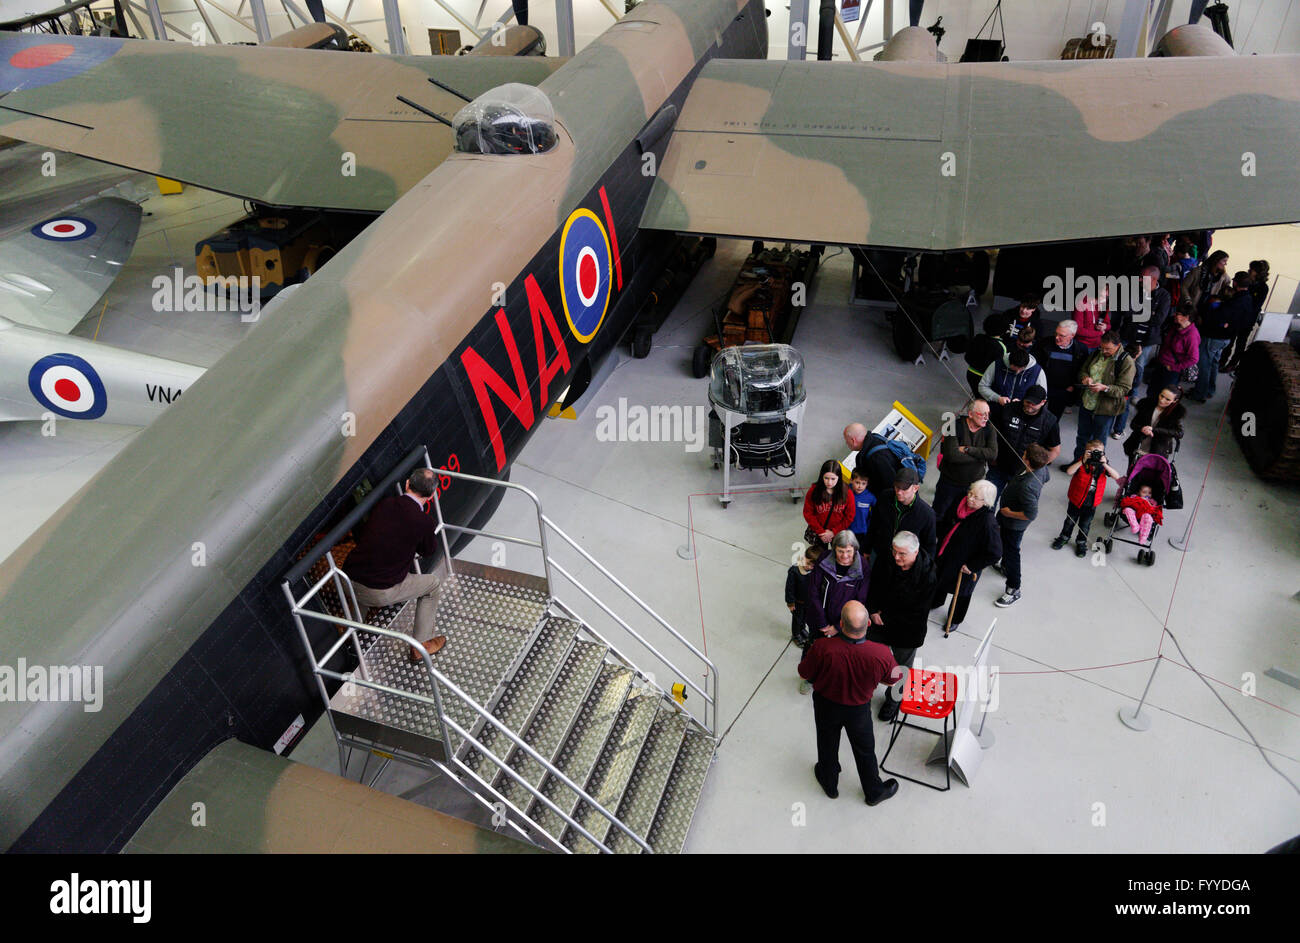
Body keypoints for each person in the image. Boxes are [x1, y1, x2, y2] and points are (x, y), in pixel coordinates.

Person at [797, 600, 901, 805]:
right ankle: (874, 791)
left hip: (826, 705)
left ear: (841, 624)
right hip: (858, 711)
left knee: (826, 742)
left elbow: (804, 673)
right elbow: (893, 680)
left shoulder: (822, 647)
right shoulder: (881, 653)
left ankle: (829, 782)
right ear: (868, 624)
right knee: (865, 749)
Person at [342, 468, 448, 661]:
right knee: (432, 585)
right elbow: (428, 550)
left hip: (346, 579)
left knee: (368, 575)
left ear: (407, 484)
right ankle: (420, 646)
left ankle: (349, 633)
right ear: (431, 495)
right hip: (378, 592)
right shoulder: (424, 522)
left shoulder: (385, 504)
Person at [867, 531, 938, 722]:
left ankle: (894, 700)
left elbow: (917, 610)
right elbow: (873, 586)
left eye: (902, 554)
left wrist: (885, 616)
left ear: (915, 552)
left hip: (907, 630)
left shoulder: (927, 574)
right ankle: (864, 691)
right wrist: (872, 611)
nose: (896, 556)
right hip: (878, 621)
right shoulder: (886, 558)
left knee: (901, 669)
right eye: (894, 551)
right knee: (871, 659)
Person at [929, 479, 1001, 632]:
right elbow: (947, 518)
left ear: (986, 502)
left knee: (962, 593)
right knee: (939, 579)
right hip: (946, 551)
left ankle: (955, 619)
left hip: (965, 564)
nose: (970, 498)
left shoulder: (987, 521)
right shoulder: (961, 499)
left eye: (976, 497)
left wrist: (972, 566)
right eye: (971, 493)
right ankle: (935, 601)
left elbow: (995, 552)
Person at [992, 444, 1051, 608]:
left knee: (1012, 553)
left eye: (1024, 454)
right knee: (1000, 539)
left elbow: (1031, 514)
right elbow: (1047, 478)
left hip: (1013, 523)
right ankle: (1004, 566)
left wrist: (1009, 513)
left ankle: (1013, 588)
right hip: (1006, 515)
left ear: (1028, 461)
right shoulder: (1042, 468)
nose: (1022, 455)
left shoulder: (1028, 485)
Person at [987, 387, 1060, 501]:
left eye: (1034, 404)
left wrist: (1036, 466)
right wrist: (991, 455)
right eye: (1027, 402)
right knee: (987, 501)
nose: (1029, 406)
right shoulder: (1008, 409)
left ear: (1043, 402)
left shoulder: (1050, 421)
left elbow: (1055, 450)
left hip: (1023, 474)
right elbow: (991, 433)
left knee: (1009, 508)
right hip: (998, 466)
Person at [1190, 272, 1253, 403]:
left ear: (1235, 283)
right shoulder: (1247, 299)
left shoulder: (1236, 301)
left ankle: (1199, 393)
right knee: (1214, 363)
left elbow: (1219, 317)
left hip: (1214, 336)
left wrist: (1208, 315)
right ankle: (1209, 390)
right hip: (1226, 338)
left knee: (1204, 364)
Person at [1072, 332, 1134, 463]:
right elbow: (1083, 370)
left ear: (1118, 346)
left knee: (1098, 442)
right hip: (1087, 402)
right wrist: (1085, 378)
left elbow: (1124, 389)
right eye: (1102, 347)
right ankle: (1077, 463)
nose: (1104, 351)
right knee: (1082, 437)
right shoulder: (1097, 353)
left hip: (1105, 409)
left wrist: (1105, 388)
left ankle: (1094, 468)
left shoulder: (1126, 362)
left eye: (1108, 349)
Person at [1052, 440, 1121, 557]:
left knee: (1085, 524)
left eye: (1099, 452)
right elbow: (1069, 471)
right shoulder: (1081, 462)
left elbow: (1117, 476)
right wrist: (1082, 461)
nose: (1095, 455)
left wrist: (1105, 464)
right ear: (1085, 452)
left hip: (1092, 502)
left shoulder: (1104, 466)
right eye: (1091, 452)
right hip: (1076, 499)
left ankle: (1081, 543)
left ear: (1103, 453)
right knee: (1069, 521)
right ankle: (1064, 537)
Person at [933, 399, 997, 521]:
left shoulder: (989, 429)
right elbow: (952, 455)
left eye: (988, 414)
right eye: (982, 414)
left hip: (971, 486)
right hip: (949, 482)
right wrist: (980, 457)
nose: (986, 418)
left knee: (959, 517)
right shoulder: (953, 426)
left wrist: (968, 449)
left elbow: (992, 454)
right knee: (938, 514)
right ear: (971, 414)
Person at [866, 467, 937, 563]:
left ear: (915, 488)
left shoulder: (927, 514)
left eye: (904, 488)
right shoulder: (884, 497)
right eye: (897, 487)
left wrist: (921, 567)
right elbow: (874, 524)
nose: (899, 492)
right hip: (880, 553)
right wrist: (866, 548)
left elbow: (929, 546)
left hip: (904, 563)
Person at [803, 460, 856, 556]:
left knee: (838, 557)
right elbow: (808, 513)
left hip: (838, 532)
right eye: (826, 478)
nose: (829, 482)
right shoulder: (814, 491)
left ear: (839, 477)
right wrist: (821, 532)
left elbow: (849, 516)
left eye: (833, 479)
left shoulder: (847, 493)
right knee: (819, 558)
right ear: (821, 476)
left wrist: (833, 532)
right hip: (819, 532)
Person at [1146, 302, 1201, 395]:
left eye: (1178, 314)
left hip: (1171, 371)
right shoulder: (1175, 326)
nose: (1174, 315)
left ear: (1186, 317)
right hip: (1161, 364)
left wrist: (1174, 367)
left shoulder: (1192, 335)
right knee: (1151, 391)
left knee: (1163, 395)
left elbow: (1194, 358)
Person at [1036, 318, 1087, 418]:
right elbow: (1036, 363)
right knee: (1034, 414)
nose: (1057, 337)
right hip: (1042, 385)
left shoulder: (1080, 349)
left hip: (1063, 390)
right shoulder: (1044, 343)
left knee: (1053, 418)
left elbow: (1082, 369)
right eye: (1056, 333)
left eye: (1061, 335)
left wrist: (1073, 386)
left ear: (1072, 335)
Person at [1122, 386, 1185, 460]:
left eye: (1167, 399)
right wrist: (1142, 429)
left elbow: (1179, 433)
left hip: (1157, 451)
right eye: (1161, 396)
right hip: (1137, 446)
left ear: (1175, 401)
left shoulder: (1176, 413)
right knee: (1133, 466)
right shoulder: (1146, 405)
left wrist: (1155, 430)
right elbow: (1133, 424)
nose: (1162, 400)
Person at [845, 423, 900, 504]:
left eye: (846, 440)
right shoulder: (877, 439)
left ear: (853, 440)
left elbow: (891, 485)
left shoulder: (875, 457)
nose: (846, 443)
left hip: (895, 502)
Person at [978, 345, 1048, 408]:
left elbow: (1042, 397)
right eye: (1014, 369)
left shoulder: (1037, 371)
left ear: (1026, 366)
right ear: (1009, 362)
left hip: (1022, 411)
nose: (1017, 372)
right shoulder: (997, 365)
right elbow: (982, 386)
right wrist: (998, 398)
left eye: (1021, 369)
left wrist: (1024, 402)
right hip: (996, 407)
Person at [964, 313, 1010, 397]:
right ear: (1003, 331)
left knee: (977, 394)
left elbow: (967, 356)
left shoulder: (977, 338)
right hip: (985, 379)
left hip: (970, 373)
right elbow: (999, 367)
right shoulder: (1001, 347)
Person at [785, 544, 820, 647]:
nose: (809, 567)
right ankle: (796, 634)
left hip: (808, 601)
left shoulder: (813, 572)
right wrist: (790, 603)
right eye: (808, 563)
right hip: (797, 602)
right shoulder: (795, 571)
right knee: (797, 619)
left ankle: (802, 629)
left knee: (805, 617)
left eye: (812, 566)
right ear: (804, 556)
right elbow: (789, 589)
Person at [1111, 341, 1145, 440]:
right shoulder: (1137, 367)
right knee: (1123, 411)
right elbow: (1137, 383)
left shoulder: (1119, 361)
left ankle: (1107, 428)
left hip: (1114, 389)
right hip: (1126, 393)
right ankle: (1118, 431)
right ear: (1137, 354)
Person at [1181, 248, 1229, 312]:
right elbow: (1184, 286)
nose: (1225, 264)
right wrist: (1187, 299)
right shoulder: (1197, 271)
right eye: (1224, 261)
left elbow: (1228, 285)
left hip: (1207, 309)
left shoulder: (1222, 276)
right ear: (1216, 260)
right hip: (1191, 306)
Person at [847, 470, 877, 551]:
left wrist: (868, 526)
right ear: (851, 480)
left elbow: (876, 513)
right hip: (847, 530)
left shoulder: (870, 497)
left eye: (863, 484)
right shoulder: (846, 492)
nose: (860, 486)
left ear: (867, 484)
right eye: (857, 482)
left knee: (859, 554)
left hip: (862, 532)